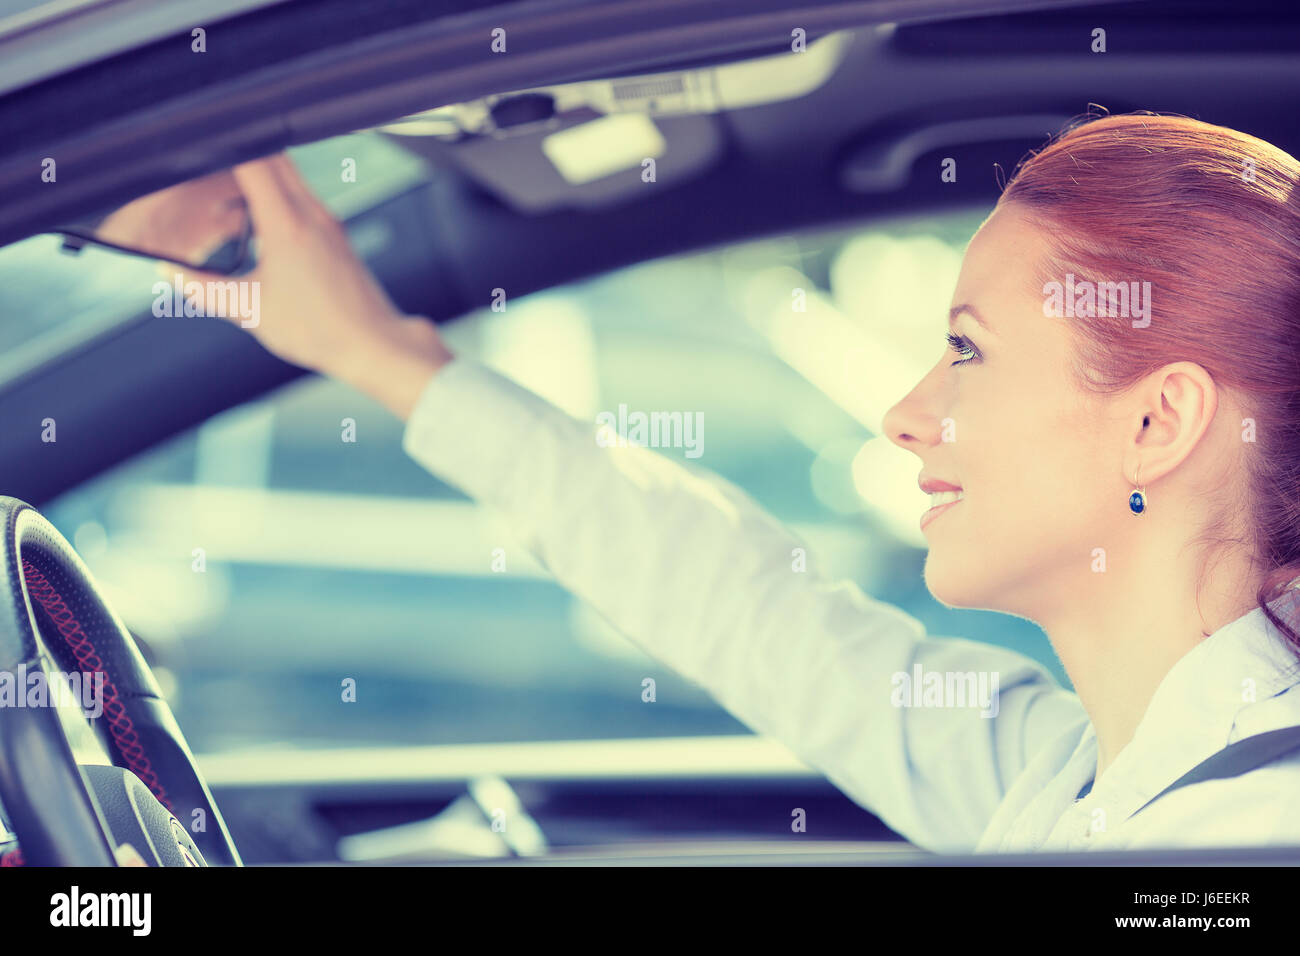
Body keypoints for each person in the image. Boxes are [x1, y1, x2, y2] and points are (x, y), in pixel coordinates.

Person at [180, 112, 1300, 853]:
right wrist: (381, 354)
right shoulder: (1080, 775)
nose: (906, 414)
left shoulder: (1235, 833)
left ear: (1156, 422)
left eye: (966, 350)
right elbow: (749, 606)